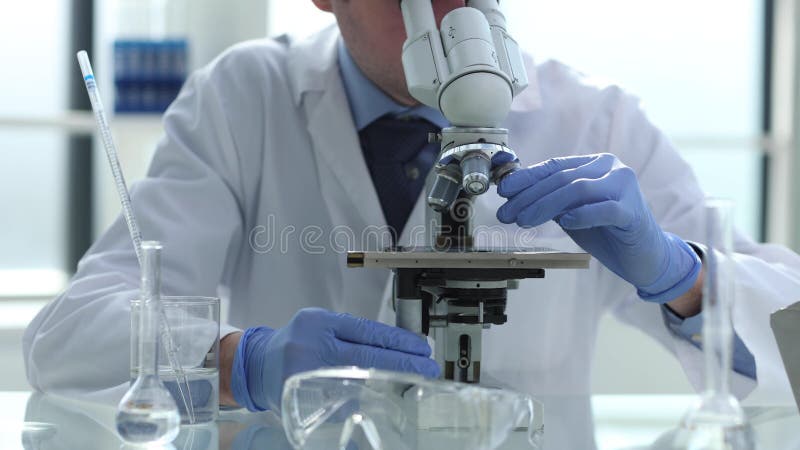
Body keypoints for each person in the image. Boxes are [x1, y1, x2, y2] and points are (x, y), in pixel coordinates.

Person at [23, 0, 800, 446]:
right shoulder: (243, 97)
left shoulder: (594, 117)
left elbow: (790, 324)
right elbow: (67, 340)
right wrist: (241, 360)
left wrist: (684, 275)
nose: (451, 15)